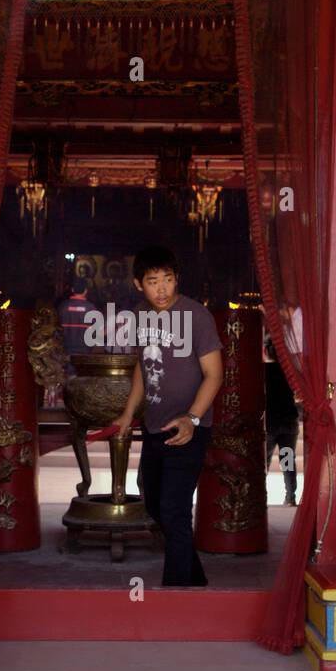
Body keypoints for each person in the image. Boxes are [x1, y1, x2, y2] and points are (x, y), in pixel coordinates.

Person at [112, 245, 223, 586]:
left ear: (177, 280)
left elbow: (214, 375)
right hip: (155, 427)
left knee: (174, 509)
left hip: (189, 427)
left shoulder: (197, 317)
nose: (161, 289)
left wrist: (192, 418)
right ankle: (195, 578)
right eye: (152, 281)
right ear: (138, 284)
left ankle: (174, 592)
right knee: (155, 505)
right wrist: (127, 414)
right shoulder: (141, 317)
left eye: (168, 280)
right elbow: (143, 369)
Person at [264, 337, 299, 506]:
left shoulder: (263, 371)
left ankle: (259, 495)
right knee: (287, 460)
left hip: (270, 422)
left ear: (266, 352)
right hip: (288, 422)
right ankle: (290, 496)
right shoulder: (290, 372)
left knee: (264, 460)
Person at [58, 277, 99, 360]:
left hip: (65, 350)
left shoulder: (63, 307)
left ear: (72, 290)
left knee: (68, 372)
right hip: (85, 351)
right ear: (86, 290)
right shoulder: (90, 308)